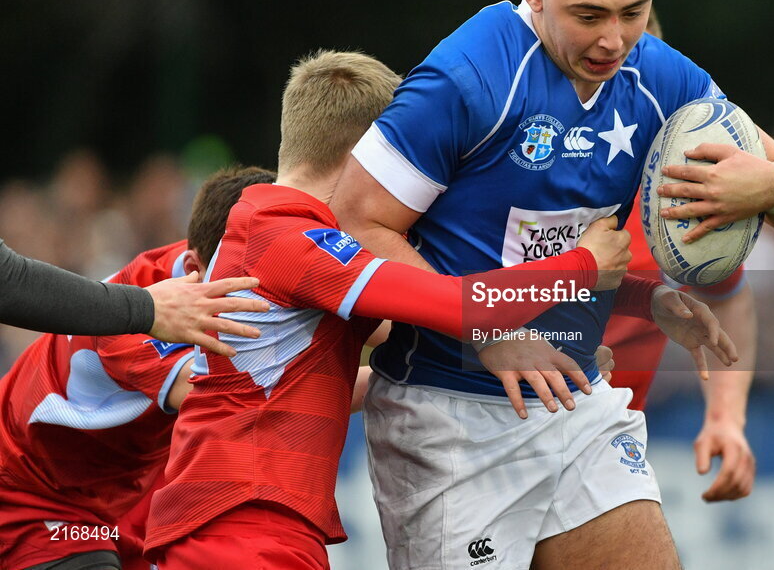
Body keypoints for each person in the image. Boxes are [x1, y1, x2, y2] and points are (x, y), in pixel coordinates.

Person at [331, 0, 774, 569]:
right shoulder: (468, 78)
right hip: (447, 419)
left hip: (577, 404)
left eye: (634, 13)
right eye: (589, 15)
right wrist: (489, 330)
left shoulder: (658, 76)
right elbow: (353, 223)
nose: (614, 41)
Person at [143, 50, 640, 569]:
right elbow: (457, 306)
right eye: (402, 157)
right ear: (367, 156)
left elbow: (377, 348)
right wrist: (583, 264)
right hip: (240, 526)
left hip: (245, 524)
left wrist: (560, 344)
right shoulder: (294, 241)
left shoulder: (272, 229)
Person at [0, 166, 277, 570]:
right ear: (194, 266)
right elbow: (234, 398)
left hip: (116, 493)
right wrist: (386, 381)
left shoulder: (223, 253)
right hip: (33, 494)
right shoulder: (136, 332)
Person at [603, 9, 757, 503]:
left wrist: (725, 417)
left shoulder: (676, 203)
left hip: (604, 448)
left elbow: (728, 297)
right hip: (491, 433)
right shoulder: (520, 170)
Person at [0, 239, 266, 357]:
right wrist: (147, 308)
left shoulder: (211, 250)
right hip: (17, 461)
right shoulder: (122, 337)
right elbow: (9, 280)